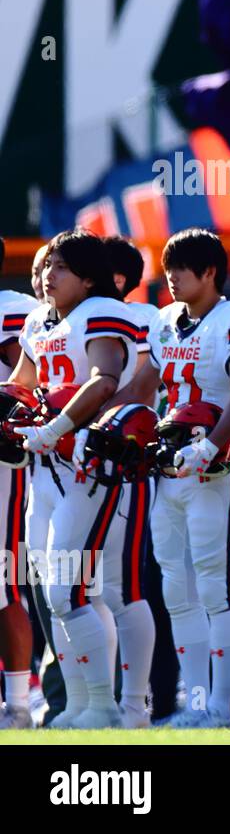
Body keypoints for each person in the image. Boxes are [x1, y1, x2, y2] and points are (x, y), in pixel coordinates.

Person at [10, 229, 140, 728]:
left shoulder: (102, 312)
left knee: (69, 590)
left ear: (89, 278)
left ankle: (105, 706)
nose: (46, 275)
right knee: (50, 589)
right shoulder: (40, 321)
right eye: (44, 267)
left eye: (59, 268)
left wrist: (58, 426)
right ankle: (82, 704)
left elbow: (104, 379)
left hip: (88, 460)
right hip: (44, 467)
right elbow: (21, 384)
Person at [144, 228, 230, 727]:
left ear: (210, 272)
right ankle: (195, 704)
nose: (171, 277)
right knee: (177, 590)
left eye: (182, 267)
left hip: (216, 467)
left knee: (216, 588)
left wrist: (211, 443)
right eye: (168, 266)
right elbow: (144, 386)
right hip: (168, 468)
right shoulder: (165, 322)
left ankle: (219, 707)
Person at [97, 235, 161, 727]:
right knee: (80, 590)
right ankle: (95, 702)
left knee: (122, 587)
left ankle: (135, 703)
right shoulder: (56, 317)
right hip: (70, 467)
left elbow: (135, 390)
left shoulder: (140, 319)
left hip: (122, 460)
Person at [0, 236, 39, 729]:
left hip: (4, 463)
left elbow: (29, 386)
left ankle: (19, 704)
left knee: (5, 583)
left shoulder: (11, 311)